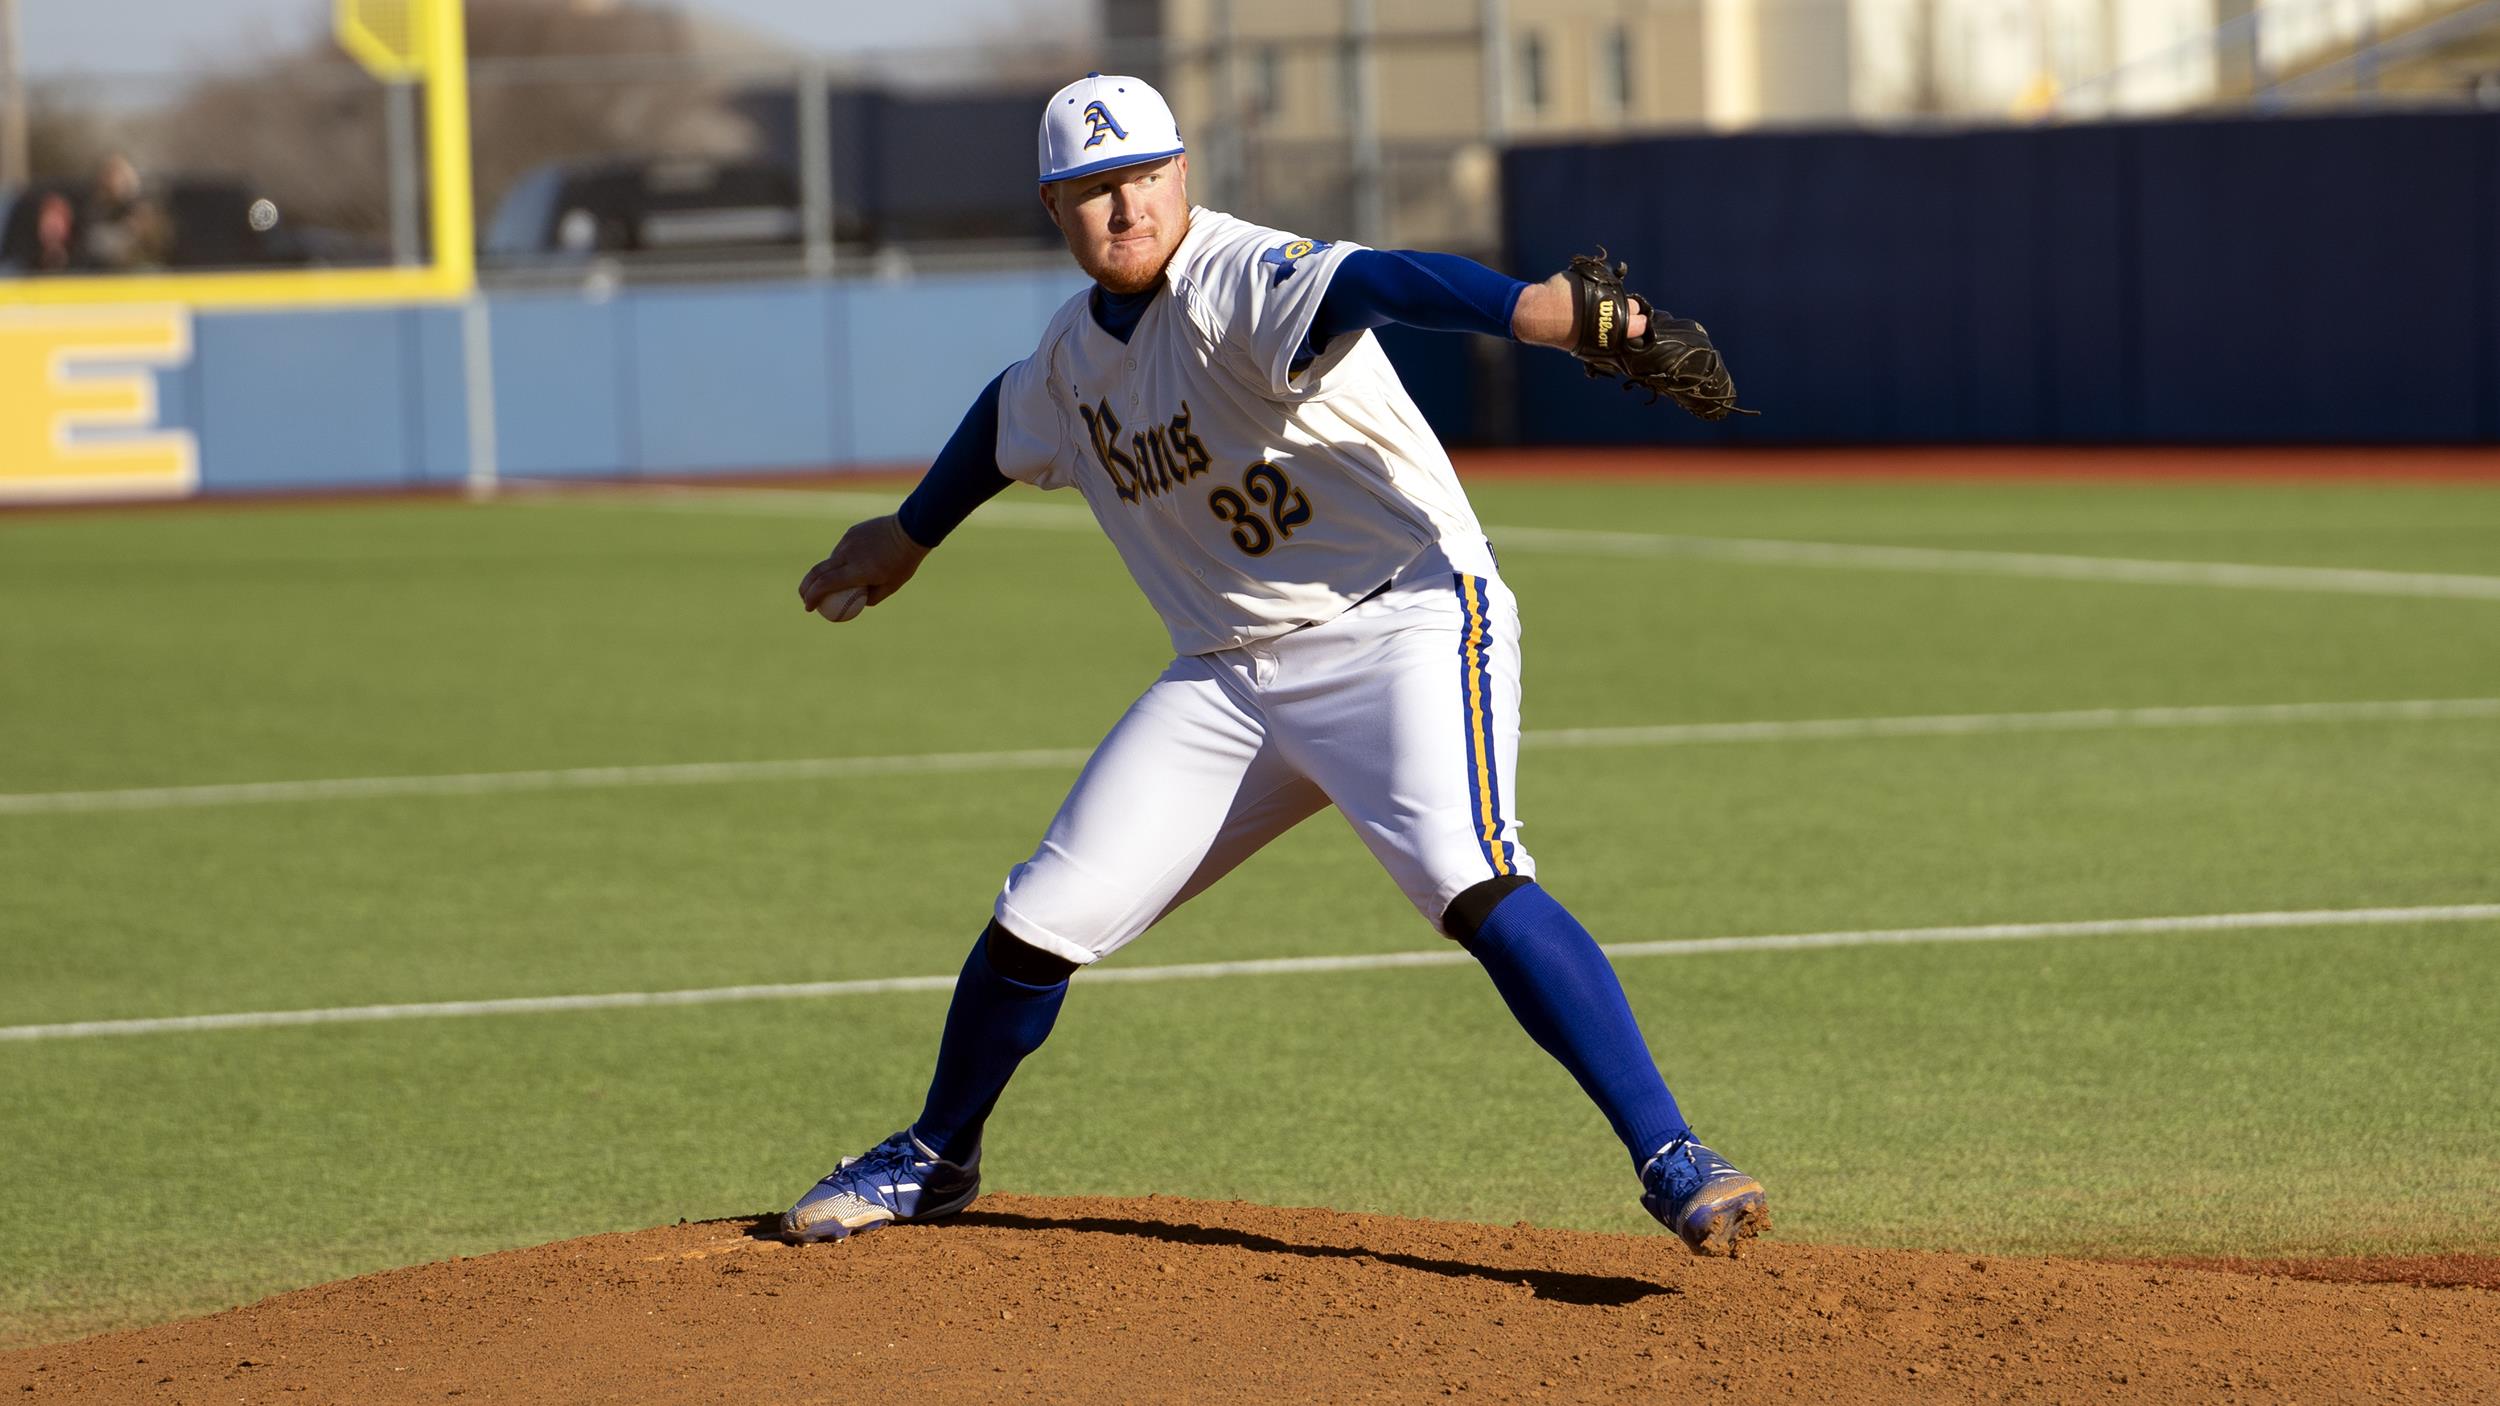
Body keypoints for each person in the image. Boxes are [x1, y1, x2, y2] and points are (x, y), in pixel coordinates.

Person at [784, 74, 1768, 1258]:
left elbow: (1373, 279)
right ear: (1055, 209)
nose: (1124, 206)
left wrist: (1537, 312)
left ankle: (1673, 1155)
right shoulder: (1067, 361)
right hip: (1228, 677)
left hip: (1401, 619)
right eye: (1092, 190)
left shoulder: (1233, 276)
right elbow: (1003, 423)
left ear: (1182, 175)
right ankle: (937, 1157)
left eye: (1142, 176)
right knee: (1041, 915)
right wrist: (906, 535)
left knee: (1468, 872)